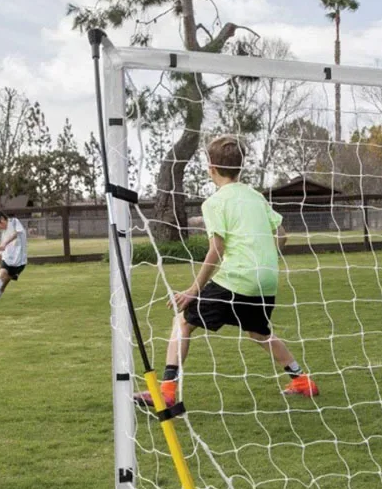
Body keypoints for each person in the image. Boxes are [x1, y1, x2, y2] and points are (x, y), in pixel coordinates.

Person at [136, 135, 318, 407]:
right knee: (259, 334)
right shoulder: (255, 196)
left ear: (211, 168)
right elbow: (281, 235)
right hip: (265, 280)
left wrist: (193, 289)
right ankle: (302, 381)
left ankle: (167, 392)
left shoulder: (215, 203)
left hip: (237, 278)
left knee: (183, 321)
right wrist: (265, 255)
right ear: (240, 167)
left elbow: (216, 249)